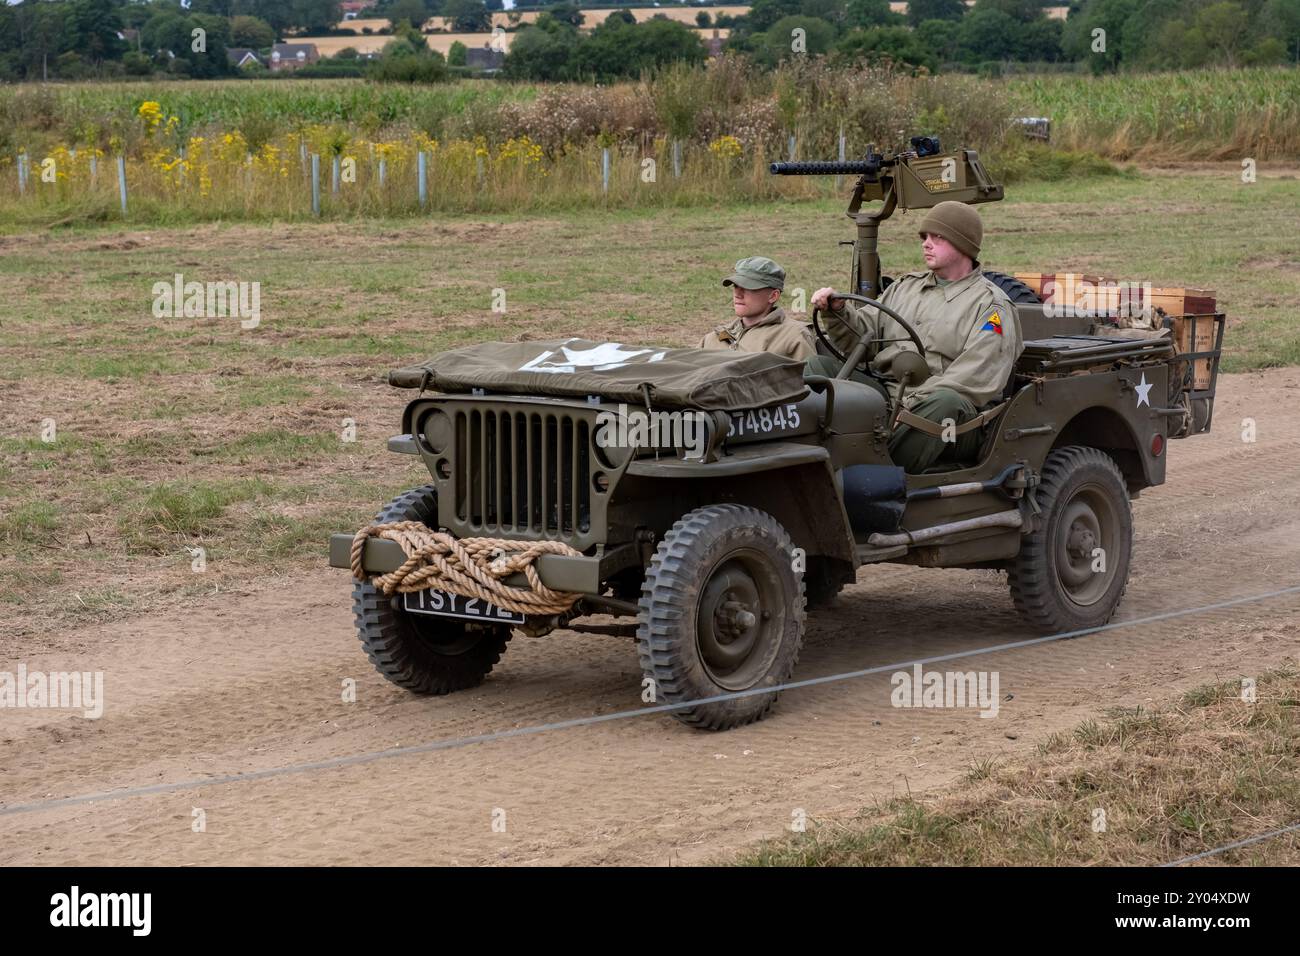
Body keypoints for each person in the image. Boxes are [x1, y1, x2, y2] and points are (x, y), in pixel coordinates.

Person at [811, 200, 1023, 473]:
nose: (926, 243)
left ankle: (880, 475)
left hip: (953, 421)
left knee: (945, 402)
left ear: (963, 244)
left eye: (938, 237)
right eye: (924, 236)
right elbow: (861, 341)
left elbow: (974, 379)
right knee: (819, 370)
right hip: (889, 396)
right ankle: (819, 456)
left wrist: (910, 407)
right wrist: (838, 313)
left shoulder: (991, 306)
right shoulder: (904, 288)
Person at [698, 256, 817, 362]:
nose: (738, 294)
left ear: (773, 296)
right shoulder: (712, 339)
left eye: (748, 287)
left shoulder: (793, 336)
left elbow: (810, 384)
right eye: (736, 286)